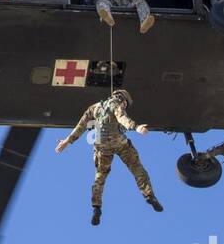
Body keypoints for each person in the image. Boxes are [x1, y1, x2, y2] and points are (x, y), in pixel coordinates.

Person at [55, 88, 163, 225]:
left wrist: (67, 141)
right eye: (125, 104)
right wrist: (136, 127)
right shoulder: (117, 105)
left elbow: (81, 125)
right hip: (120, 144)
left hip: (102, 147)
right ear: (123, 100)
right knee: (137, 169)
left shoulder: (95, 108)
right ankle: (149, 195)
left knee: (100, 177)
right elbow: (122, 118)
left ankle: (96, 207)